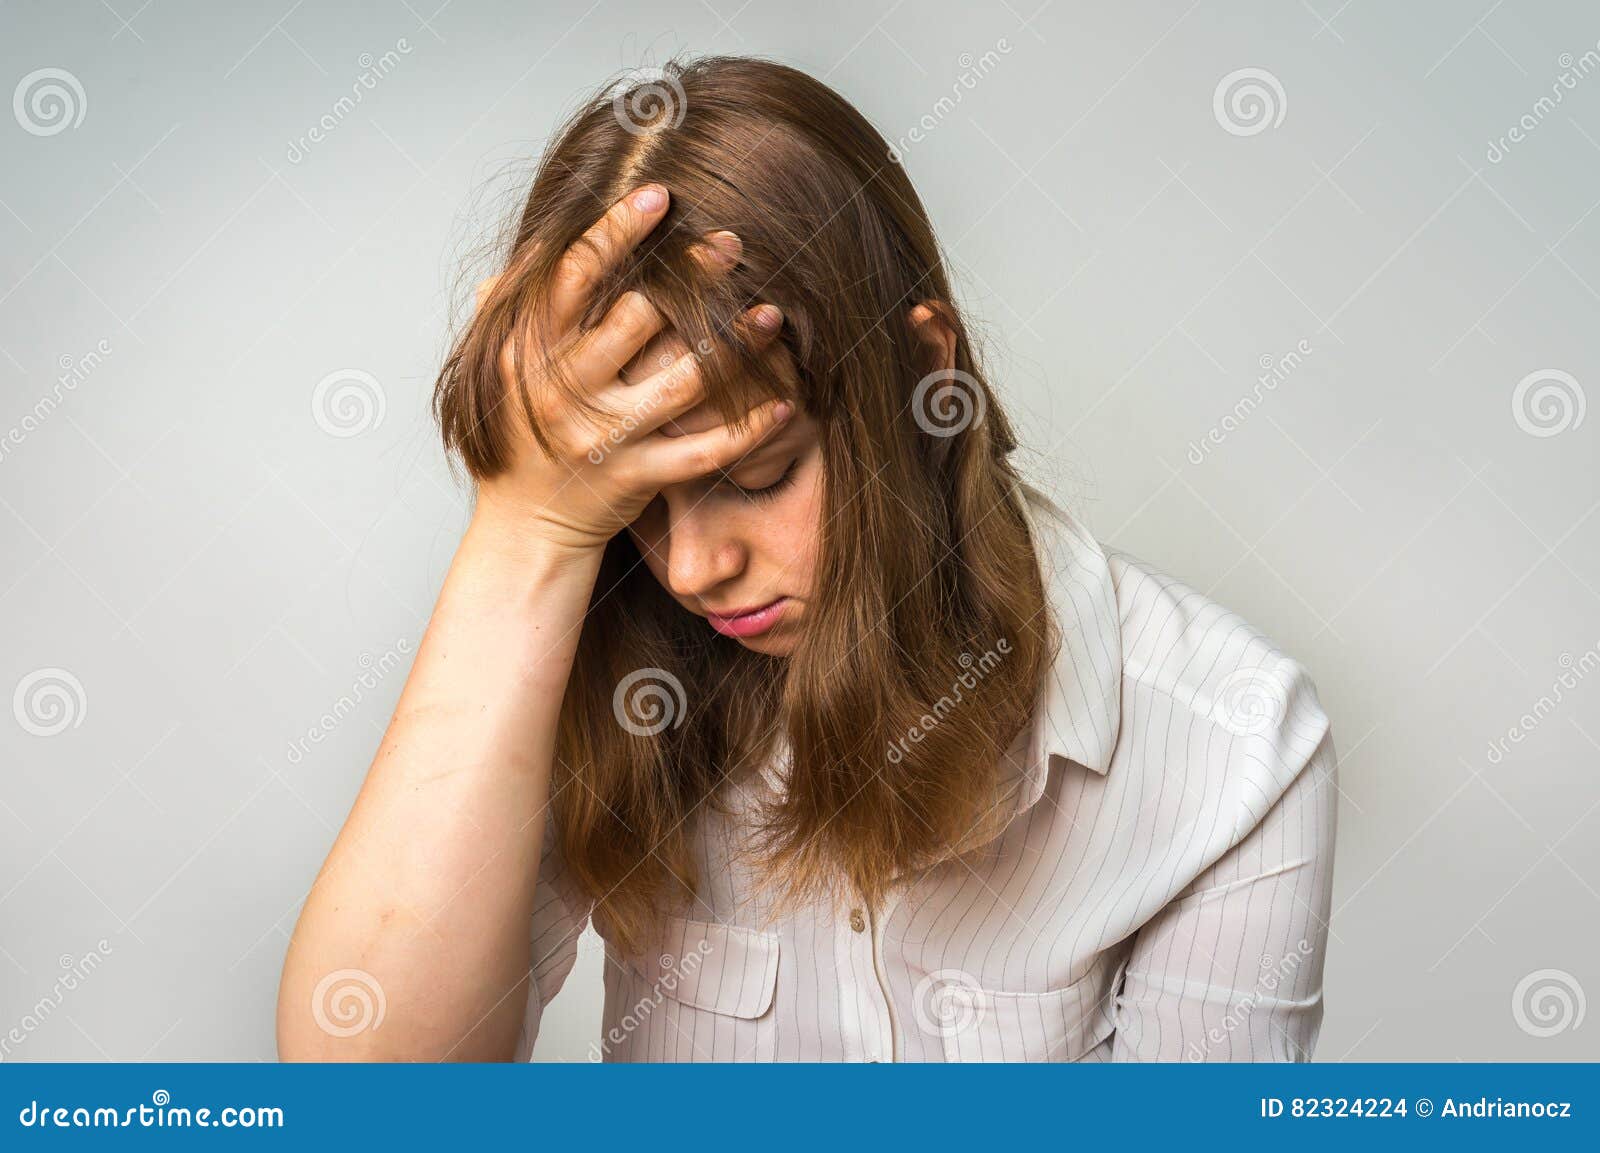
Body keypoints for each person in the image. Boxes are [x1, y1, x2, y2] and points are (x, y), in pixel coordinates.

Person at [276, 55, 1337, 1063]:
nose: (691, 569)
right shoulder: (597, 664)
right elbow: (362, 1096)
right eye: (635, 504)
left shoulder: (1233, 745)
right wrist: (526, 530)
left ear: (928, 372)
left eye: (757, 476)